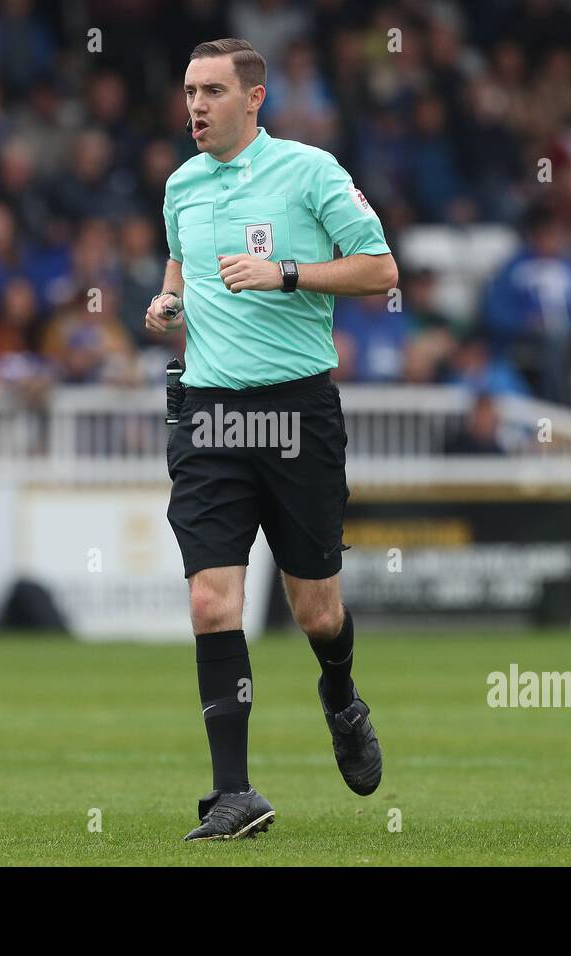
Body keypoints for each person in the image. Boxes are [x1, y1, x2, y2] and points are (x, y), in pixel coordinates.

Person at [147, 38, 397, 842]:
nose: (196, 105)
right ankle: (234, 794)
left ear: (254, 99)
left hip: (296, 415)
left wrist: (287, 272)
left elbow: (380, 270)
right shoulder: (181, 185)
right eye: (190, 90)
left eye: (213, 90)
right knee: (210, 599)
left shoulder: (311, 172)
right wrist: (166, 307)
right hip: (212, 416)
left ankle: (340, 695)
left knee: (315, 609)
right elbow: (178, 271)